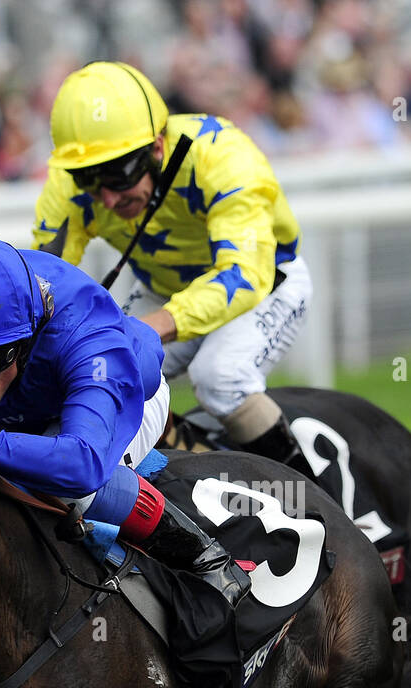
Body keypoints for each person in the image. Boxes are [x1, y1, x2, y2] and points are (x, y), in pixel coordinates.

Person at [0, 235, 251, 607]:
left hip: (114, 402)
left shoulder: (90, 341)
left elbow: (81, 463)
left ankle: (208, 560)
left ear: (28, 338)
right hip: (19, 406)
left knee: (56, 484)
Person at [32, 61, 314, 477]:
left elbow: (243, 274)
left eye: (117, 175)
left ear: (157, 148)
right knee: (95, 373)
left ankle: (315, 497)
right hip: (163, 287)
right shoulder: (67, 183)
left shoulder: (225, 157)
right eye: (89, 180)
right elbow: (46, 278)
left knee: (219, 377)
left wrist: (153, 326)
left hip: (266, 283)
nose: (107, 198)